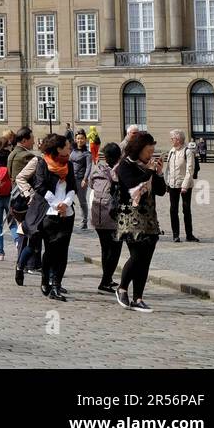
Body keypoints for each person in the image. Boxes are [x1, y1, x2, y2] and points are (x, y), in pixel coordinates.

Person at [15, 133, 77, 300]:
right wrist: (57, 204)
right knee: (49, 251)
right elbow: (40, 186)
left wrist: (67, 203)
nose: (70, 148)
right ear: (58, 148)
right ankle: (45, 280)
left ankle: (56, 285)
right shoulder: (43, 163)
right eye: (67, 146)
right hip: (48, 213)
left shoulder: (69, 165)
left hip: (67, 213)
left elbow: (73, 187)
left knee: (63, 252)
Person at [115, 130, 168, 311]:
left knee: (146, 260)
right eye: (148, 151)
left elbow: (161, 191)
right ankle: (122, 288)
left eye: (152, 151)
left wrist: (159, 173)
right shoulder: (125, 165)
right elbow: (132, 185)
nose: (150, 155)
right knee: (137, 256)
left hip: (150, 219)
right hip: (131, 218)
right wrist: (149, 171)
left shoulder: (149, 166)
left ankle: (138, 298)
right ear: (138, 149)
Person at [89, 141, 124, 295]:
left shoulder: (97, 170)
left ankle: (107, 279)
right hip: (113, 214)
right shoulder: (119, 171)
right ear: (119, 157)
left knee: (105, 248)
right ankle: (105, 280)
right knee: (115, 249)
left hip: (98, 214)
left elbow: (91, 184)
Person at [7, 128, 42, 275]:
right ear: (24, 140)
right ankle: (32, 264)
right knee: (33, 231)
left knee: (22, 230)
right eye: (31, 139)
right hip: (26, 198)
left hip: (14, 197)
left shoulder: (12, 154)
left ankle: (21, 262)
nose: (33, 141)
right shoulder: (27, 156)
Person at [164, 129, 200, 243]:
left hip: (185, 185)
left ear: (178, 140)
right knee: (173, 209)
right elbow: (168, 169)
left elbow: (190, 170)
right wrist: (167, 183)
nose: (171, 140)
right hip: (173, 184)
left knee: (186, 209)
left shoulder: (187, 152)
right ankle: (175, 234)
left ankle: (189, 234)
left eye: (173, 138)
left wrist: (184, 186)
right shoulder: (171, 151)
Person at [69, 131, 91, 230]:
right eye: (78, 138)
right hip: (71, 179)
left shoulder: (87, 153)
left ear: (85, 139)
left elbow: (88, 167)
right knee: (68, 200)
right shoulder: (72, 151)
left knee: (82, 202)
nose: (80, 140)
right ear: (75, 139)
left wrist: (85, 179)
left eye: (82, 138)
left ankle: (84, 221)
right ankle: (68, 219)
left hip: (80, 179)